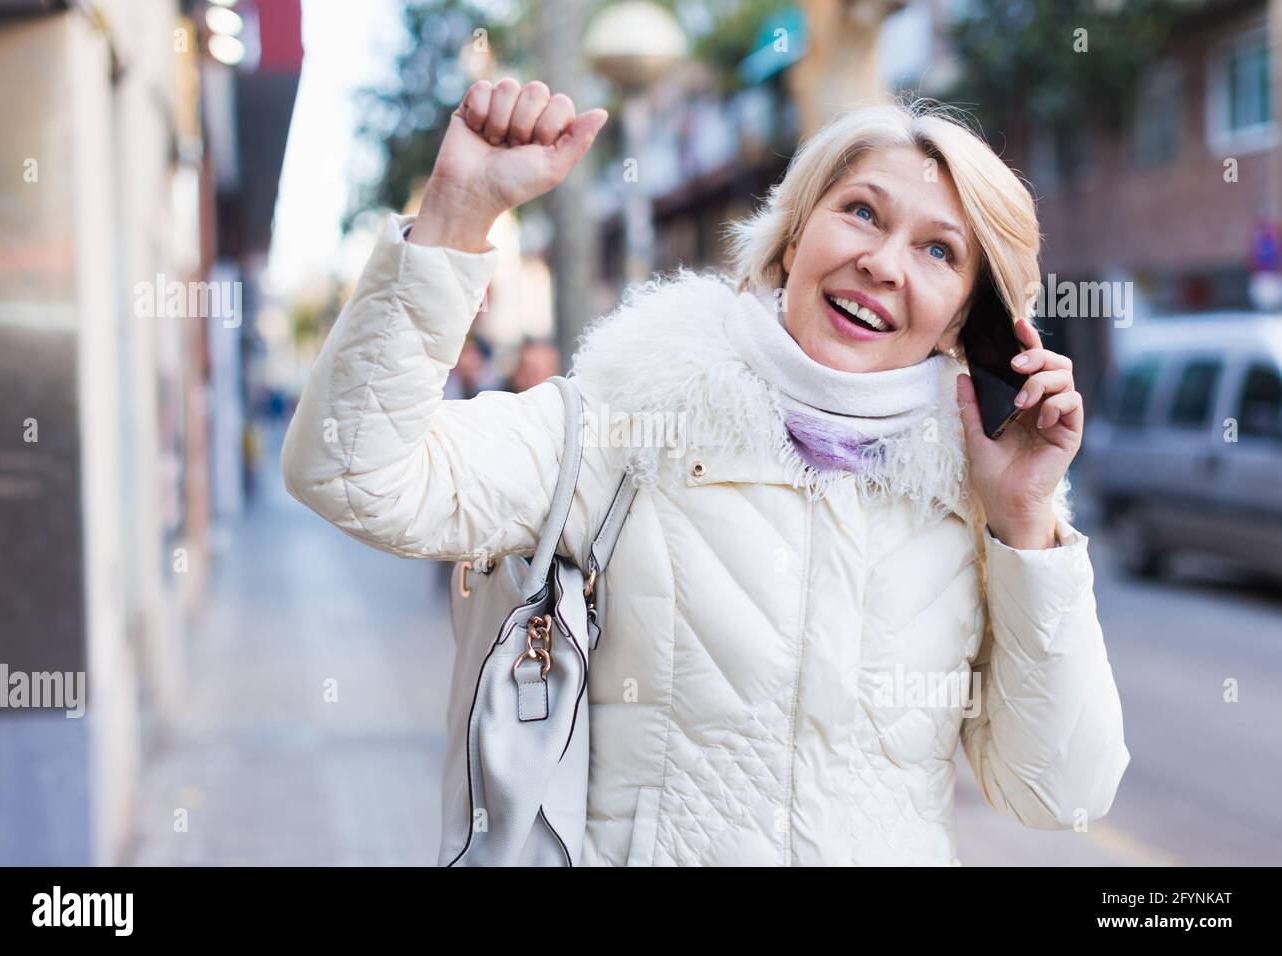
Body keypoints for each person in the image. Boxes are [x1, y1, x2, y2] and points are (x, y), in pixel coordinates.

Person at [281, 78, 1130, 866]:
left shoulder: (971, 503)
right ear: (796, 233)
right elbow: (353, 473)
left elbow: (1061, 790)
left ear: (967, 318)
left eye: (940, 253)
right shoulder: (625, 419)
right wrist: (458, 215)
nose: (884, 262)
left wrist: (1026, 520)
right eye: (862, 212)